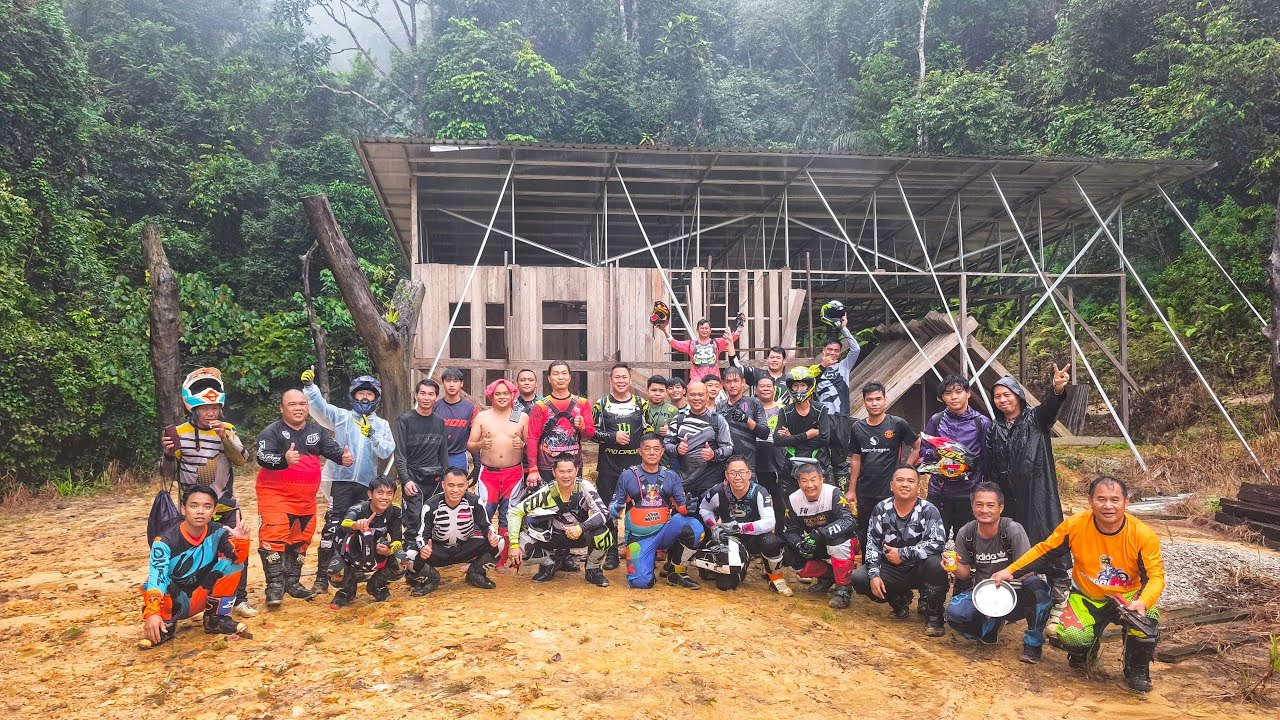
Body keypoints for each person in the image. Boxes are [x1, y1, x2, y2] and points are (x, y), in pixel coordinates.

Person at [992, 476, 1164, 692]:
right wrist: (1011, 570)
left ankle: (1137, 669)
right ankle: (1086, 650)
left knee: (1146, 622)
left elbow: (1155, 576)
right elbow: (1045, 551)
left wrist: (1144, 601)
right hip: (1087, 595)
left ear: (1126, 502)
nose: (1108, 506)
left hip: (1128, 596)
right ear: (1090, 500)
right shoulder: (1075, 526)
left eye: (1114, 500)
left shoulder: (1142, 535)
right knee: (1072, 636)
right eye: (1101, 499)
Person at [161, 367, 255, 617]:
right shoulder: (179, 433)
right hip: (195, 509)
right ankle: (201, 599)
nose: (210, 414)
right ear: (193, 409)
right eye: (204, 409)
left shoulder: (228, 428)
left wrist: (224, 438)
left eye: (214, 409)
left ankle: (239, 598)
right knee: (199, 555)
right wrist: (168, 453)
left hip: (225, 504)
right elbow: (167, 472)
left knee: (237, 551)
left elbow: (242, 460)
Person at [301, 370, 396, 595]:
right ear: (353, 395)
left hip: (365, 485)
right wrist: (310, 388)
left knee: (362, 527)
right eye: (361, 393)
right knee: (333, 527)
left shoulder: (381, 425)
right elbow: (320, 409)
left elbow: (386, 451)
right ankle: (322, 577)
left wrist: (372, 434)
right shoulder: (342, 416)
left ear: (376, 398)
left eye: (369, 394)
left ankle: (354, 569)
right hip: (340, 480)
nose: (365, 397)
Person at [255, 389, 351, 607]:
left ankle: (293, 582)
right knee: (274, 536)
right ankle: (275, 586)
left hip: (306, 498)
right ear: (282, 408)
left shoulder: (316, 431)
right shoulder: (271, 432)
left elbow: (333, 451)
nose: (298, 408)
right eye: (292, 404)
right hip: (275, 494)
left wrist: (343, 458)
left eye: (302, 404)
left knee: (300, 540)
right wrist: (283, 459)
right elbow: (262, 457)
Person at [945, 482, 1053, 663]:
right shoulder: (966, 533)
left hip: (1015, 593)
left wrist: (1007, 576)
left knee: (1038, 588)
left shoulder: (1012, 530)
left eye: (990, 505)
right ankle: (990, 625)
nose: (984, 510)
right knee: (954, 614)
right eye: (979, 504)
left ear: (1001, 508)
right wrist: (952, 567)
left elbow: (1027, 568)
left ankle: (1033, 643)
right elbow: (964, 574)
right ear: (972, 507)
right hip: (984, 594)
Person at [987, 365, 1071, 591]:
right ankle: (1016, 590)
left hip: (1037, 492)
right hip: (1009, 497)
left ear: (1018, 396)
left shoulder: (1035, 419)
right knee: (1013, 540)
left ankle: (1059, 588)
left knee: (1046, 536)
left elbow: (1050, 408)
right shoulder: (995, 428)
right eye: (997, 396)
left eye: (1007, 395)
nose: (1002, 400)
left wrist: (1056, 389)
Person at [139, 485, 251, 649]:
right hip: (176, 600)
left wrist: (242, 541)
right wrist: (152, 612)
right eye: (194, 506)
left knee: (232, 566)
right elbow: (158, 578)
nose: (200, 511)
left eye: (207, 507)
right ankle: (165, 627)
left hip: (202, 594)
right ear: (183, 509)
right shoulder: (164, 541)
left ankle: (215, 619)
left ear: (214, 512)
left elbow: (237, 559)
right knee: (151, 582)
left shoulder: (218, 532)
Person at [852, 465, 948, 635]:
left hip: (919, 568)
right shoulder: (881, 509)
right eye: (900, 480)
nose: (905, 484)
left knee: (936, 564)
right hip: (892, 568)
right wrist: (874, 574)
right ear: (891, 485)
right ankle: (899, 600)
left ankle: (934, 617)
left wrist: (903, 554)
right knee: (860, 578)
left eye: (910, 481)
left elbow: (937, 542)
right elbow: (872, 543)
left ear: (918, 487)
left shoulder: (929, 510)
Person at [608, 434, 704, 590]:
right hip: (639, 538)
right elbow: (613, 506)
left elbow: (681, 508)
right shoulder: (627, 476)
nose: (651, 452)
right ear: (640, 451)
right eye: (647, 449)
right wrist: (615, 508)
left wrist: (689, 507)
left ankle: (676, 572)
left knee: (695, 527)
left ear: (662, 452)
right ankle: (646, 563)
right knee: (640, 583)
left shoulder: (671, 476)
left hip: (664, 532)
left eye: (656, 449)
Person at [508, 454, 613, 587]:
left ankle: (593, 570)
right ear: (554, 472)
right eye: (561, 471)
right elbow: (516, 512)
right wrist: (513, 544)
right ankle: (550, 562)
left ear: (576, 470)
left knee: (603, 535)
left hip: (580, 534)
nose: (566, 476)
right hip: (553, 536)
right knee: (522, 546)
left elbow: (603, 512)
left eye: (570, 471)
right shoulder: (546, 492)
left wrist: (581, 528)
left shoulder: (585, 487)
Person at [847, 381, 921, 555]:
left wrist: (906, 470)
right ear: (863, 402)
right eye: (870, 399)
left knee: (892, 530)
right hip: (865, 490)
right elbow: (856, 459)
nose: (874, 403)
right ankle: (868, 569)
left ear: (885, 400)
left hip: (890, 489)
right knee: (865, 530)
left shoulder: (897, 424)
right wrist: (851, 490)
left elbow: (918, 447)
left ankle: (892, 569)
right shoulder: (857, 427)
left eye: (878, 399)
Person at [700, 457, 791, 596]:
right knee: (725, 586)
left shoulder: (760, 491)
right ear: (726, 475)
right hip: (731, 541)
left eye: (742, 472)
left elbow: (770, 521)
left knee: (771, 542)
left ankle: (775, 579)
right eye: (733, 473)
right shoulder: (717, 491)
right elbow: (704, 509)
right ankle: (740, 567)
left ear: (749, 474)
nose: (738, 477)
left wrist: (740, 527)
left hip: (756, 538)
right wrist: (713, 526)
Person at [591, 363, 650, 570]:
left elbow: (649, 431)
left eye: (624, 377)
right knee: (610, 511)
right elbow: (590, 432)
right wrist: (612, 437)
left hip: (635, 467)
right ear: (611, 380)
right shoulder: (601, 404)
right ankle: (612, 552)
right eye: (617, 377)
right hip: (608, 466)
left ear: (630, 380)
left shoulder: (641, 404)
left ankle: (634, 551)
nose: (621, 381)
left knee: (636, 510)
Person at [407, 467, 502, 595]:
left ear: (467, 485)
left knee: (499, 542)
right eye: (451, 485)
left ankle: (475, 573)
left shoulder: (475, 501)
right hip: (439, 550)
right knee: (411, 556)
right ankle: (430, 579)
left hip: (465, 547)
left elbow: (486, 526)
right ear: (443, 485)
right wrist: (423, 548)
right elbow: (422, 535)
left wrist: (492, 536)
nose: (455, 490)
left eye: (460, 485)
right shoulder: (430, 506)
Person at [467, 378, 528, 569]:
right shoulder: (483, 417)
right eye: (497, 394)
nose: (502, 397)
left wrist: (523, 446)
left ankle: (502, 560)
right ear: (491, 396)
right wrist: (480, 445)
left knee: (509, 517)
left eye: (505, 393)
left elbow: (531, 447)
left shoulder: (521, 416)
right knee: (481, 515)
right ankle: (477, 558)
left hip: (514, 475)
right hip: (488, 476)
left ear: (512, 395)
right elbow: (470, 445)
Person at [923, 374, 992, 539]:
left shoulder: (981, 422)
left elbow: (988, 458)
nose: (953, 397)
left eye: (959, 392)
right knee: (932, 539)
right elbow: (923, 452)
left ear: (968, 393)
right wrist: (936, 453)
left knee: (967, 542)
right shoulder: (936, 420)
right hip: (939, 491)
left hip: (969, 493)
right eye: (948, 393)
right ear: (943, 398)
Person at [782, 463, 857, 608]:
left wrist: (820, 533)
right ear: (798, 482)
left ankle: (843, 589)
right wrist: (799, 544)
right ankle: (827, 576)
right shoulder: (793, 499)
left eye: (813, 479)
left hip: (843, 540)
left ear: (821, 479)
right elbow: (789, 530)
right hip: (815, 542)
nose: (809, 485)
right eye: (804, 481)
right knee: (789, 556)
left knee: (837, 544)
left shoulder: (833, 493)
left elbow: (849, 521)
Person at [328, 476, 405, 608]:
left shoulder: (395, 511)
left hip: (376, 553)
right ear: (370, 494)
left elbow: (397, 540)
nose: (384, 497)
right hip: (350, 555)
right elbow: (344, 524)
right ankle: (347, 590)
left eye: (389, 493)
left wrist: (389, 550)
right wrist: (356, 525)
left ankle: (376, 586)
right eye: (380, 493)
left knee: (401, 560)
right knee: (335, 571)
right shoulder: (358, 508)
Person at [663, 380, 734, 514]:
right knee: (684, 518)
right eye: (693, 395)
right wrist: (677, 449)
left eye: (701, 395)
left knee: (709, 517)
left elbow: (729, 447)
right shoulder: (678, 420)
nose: (697, 398)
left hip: (710, 479)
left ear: (707, 396)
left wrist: (714, 454)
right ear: (687, 396)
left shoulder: (717, 420)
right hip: (684, 478)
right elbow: (666, 444)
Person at [395, 379, 450, 544]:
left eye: (431, 394)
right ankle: (411, 553)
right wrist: (405, 480)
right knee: (413, 518)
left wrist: (445, 478)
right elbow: (400, 454)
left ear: (436, 397)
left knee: (434, 517)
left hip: (434, 479)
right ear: (416, 395)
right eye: (423, 393)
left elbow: (443, 453)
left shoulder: (439, 422)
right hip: (413, 478)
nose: (426, 397)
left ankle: (429, 553)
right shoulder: (404, 421)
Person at [813, 311, 862, 492]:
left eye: (836, 351)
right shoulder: (815, 370)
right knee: (822, 460)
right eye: (829, 350)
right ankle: (823, 493)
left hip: (841, 417)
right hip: (821, 419)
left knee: (840, 460)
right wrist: (821, 367)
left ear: (840, 353)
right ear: (823, 351)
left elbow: (856, 349)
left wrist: (844, 328)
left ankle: (843, 495)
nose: (832, 353)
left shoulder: (844, 366)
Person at [525, 360, 595, 484]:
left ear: (569, 377)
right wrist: (533, 468)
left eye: (564, 373)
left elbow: (590, 434)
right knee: (548, 502)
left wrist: (583, 427)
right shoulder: (540, 406)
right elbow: (532, 438)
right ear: (549, 378)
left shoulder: (582, 403)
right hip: (547, 466)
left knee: (573, 501)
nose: (560, 377)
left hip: (573, 466)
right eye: (556, 374)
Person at [774, 367, 833, 493]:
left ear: (809, 387)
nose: (799, 389)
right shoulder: (785, 411)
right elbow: (778, 440)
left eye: (802, 385)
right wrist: (807, 435)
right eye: (795, 386)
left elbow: (825, 439)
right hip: (792, 467)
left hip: (818, 463)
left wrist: (791, 438)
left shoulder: (820, 409)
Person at [754, 376, 790, 539]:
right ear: (756, 390)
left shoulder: (784, 409)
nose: (766, 388)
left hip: (778, 463)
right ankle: (758, 535)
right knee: (757, 501)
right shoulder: (752, 408)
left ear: (774, 390)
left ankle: (781, 535)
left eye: (769, 386)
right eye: (762, 386)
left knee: (780, 501)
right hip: (755, 463)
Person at [716, 366, 769, 470]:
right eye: (728, 381)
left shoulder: (753, 402)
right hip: (723, 464)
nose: (732, 385)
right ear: (723, 384)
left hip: (747, 464)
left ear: (743, 382)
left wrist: (746, 419)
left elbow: (764, 433)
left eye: (736, 381)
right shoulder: (719, 406)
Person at [663, 317, 741, 383]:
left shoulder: (717, 342)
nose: (704, 330)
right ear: (697, 330)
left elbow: (732, 338)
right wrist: (665, 330)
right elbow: (675, 343)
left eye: (706, 328)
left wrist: (740, 326)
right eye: (702, 328)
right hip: (696, 381)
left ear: (710, 330)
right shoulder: (691, 344)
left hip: (713, 381)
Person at [438, 368, 479, 471]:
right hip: (436, 457)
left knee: (458, 487)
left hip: (459, 456)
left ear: (461, 383)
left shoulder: (470, 408)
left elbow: (474, 436)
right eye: (448, 381)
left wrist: (477, 464)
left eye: (455, 381)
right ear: (442, 383)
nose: (451, 385)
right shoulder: (434, 407)